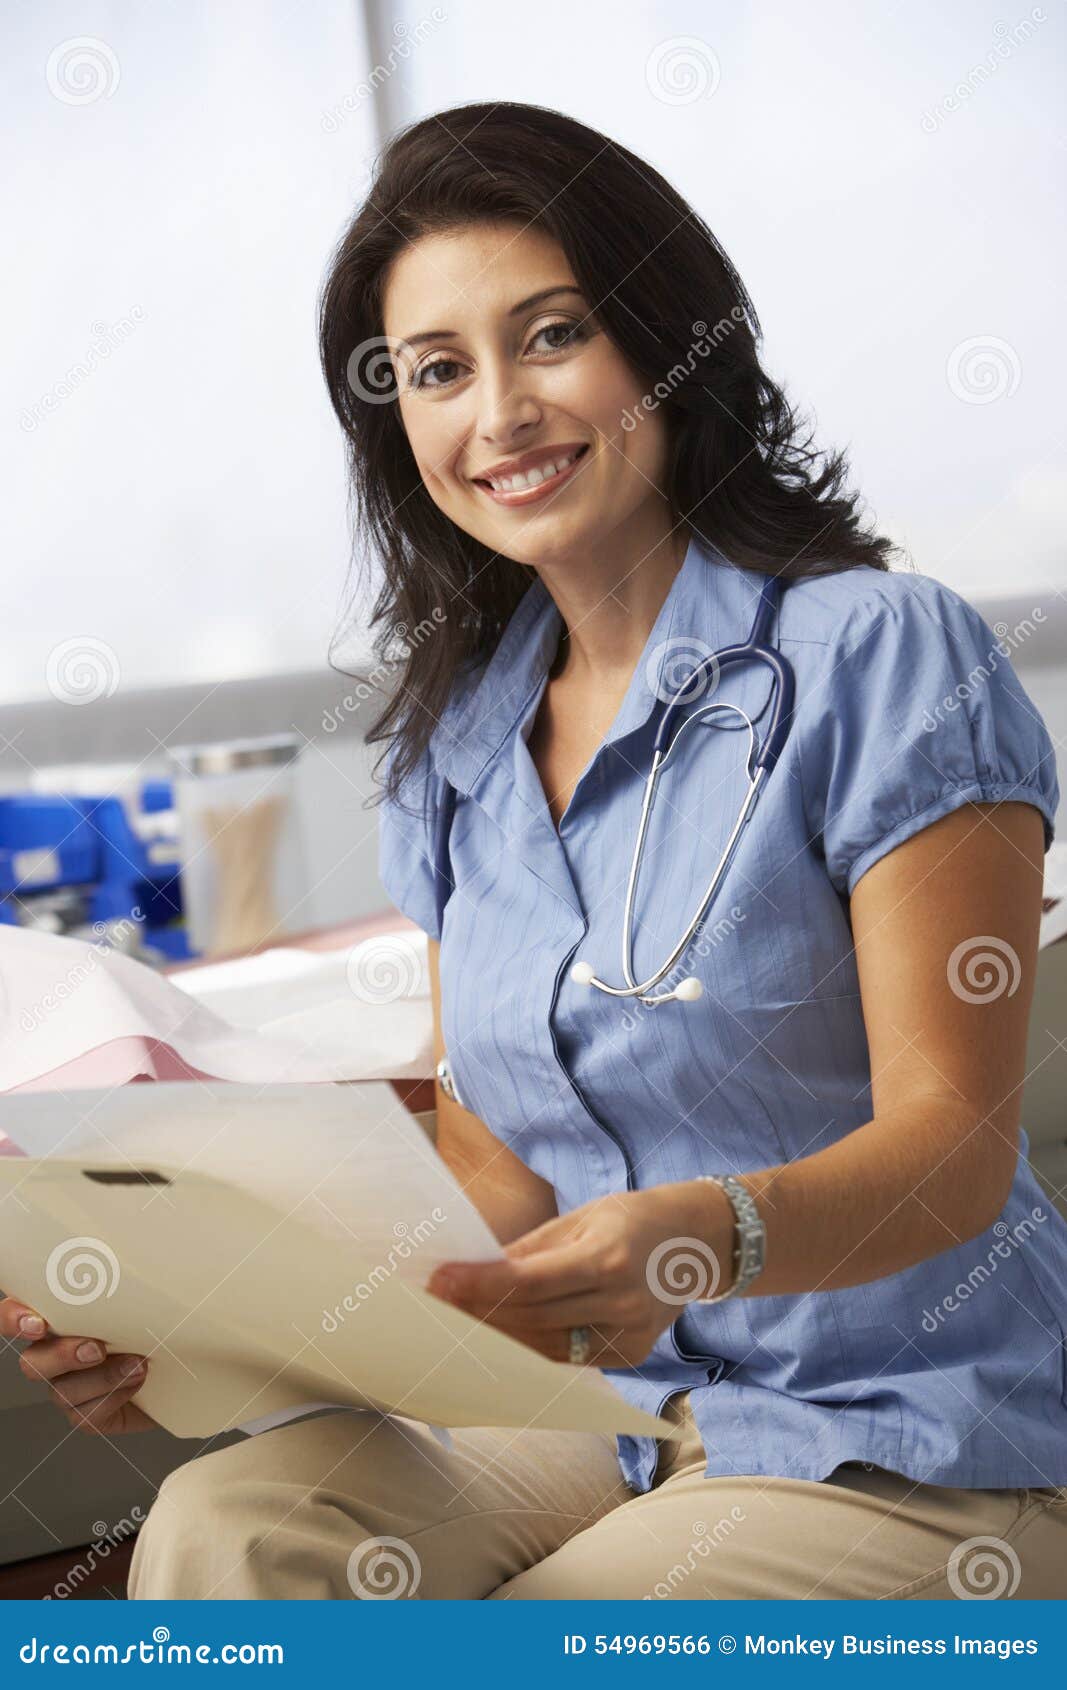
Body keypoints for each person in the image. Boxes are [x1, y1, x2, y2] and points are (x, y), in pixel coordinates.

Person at [6, 101, 1066, 1601]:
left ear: (662, 345)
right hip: (609, 1414)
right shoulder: (458, 751)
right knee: (226, 1526)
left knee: (560, 1624)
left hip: (910, 1421)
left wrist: (706, 1235)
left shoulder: (879, 654)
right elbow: (494, 1180)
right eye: (438, 371)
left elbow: (954, 1150)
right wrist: (189, 1321)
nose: (495, 412)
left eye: (551, 335)